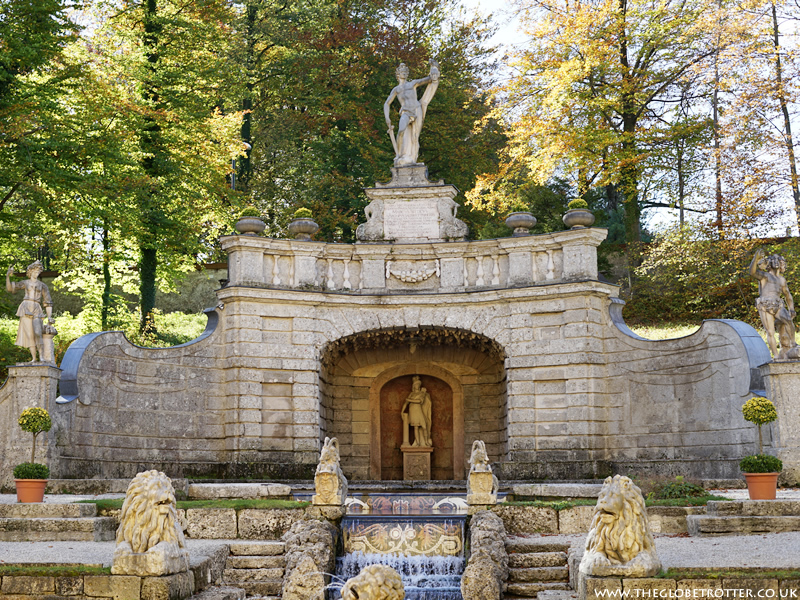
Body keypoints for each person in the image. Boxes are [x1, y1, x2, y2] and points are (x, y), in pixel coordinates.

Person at [384, 60, 440, 167]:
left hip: (416, 110)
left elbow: (429, 79)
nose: (404, 73)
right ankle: (399, 155)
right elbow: (387, 103)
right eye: (402, 72)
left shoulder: (413, 83)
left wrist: (434, 70)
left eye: (405, 72)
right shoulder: (396, 89)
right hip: (405, 112)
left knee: (415, 136)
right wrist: (387, 118)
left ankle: (412, 158)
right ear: (398, 74)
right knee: (401, 131)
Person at [749, 248, 797, 359]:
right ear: (769, 263)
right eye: (773, 260)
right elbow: (752, 272)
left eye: (777, 260)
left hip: (777, 304)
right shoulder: (765, 276)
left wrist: (791, 308)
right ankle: (775, 355)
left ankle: (793, 344)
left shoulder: (782, 280)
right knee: (770, 331)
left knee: (788, 320)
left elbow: (787, 295)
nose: (775, 262)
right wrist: (756, 259)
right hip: (765, 304)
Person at [6, 260, 53, 363]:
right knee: (29, 335)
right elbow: (10, 288)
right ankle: (34, 358)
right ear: (30, 272)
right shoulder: (25, 283)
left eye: (38, 272)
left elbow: (48, 302)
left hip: (37, 308)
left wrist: (49, 316)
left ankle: (41, 357)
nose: (37, 274)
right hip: (25, 308)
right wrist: (8, 276)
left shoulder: (42, 285)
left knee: (37, 332)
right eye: (35, 272)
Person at [401, 376, 433, 447]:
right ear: (413, 386)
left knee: (424, 426)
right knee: (415, 427)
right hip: (412, 410)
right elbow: (405, 403)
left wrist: (409, 400)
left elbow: (419, 401)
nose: (417, 386)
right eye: (415, 384)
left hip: (418, 410)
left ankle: (426, 441)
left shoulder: (422, 393)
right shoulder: (411, 394)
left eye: (418, 384)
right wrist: (402, 411)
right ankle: (417, 442)